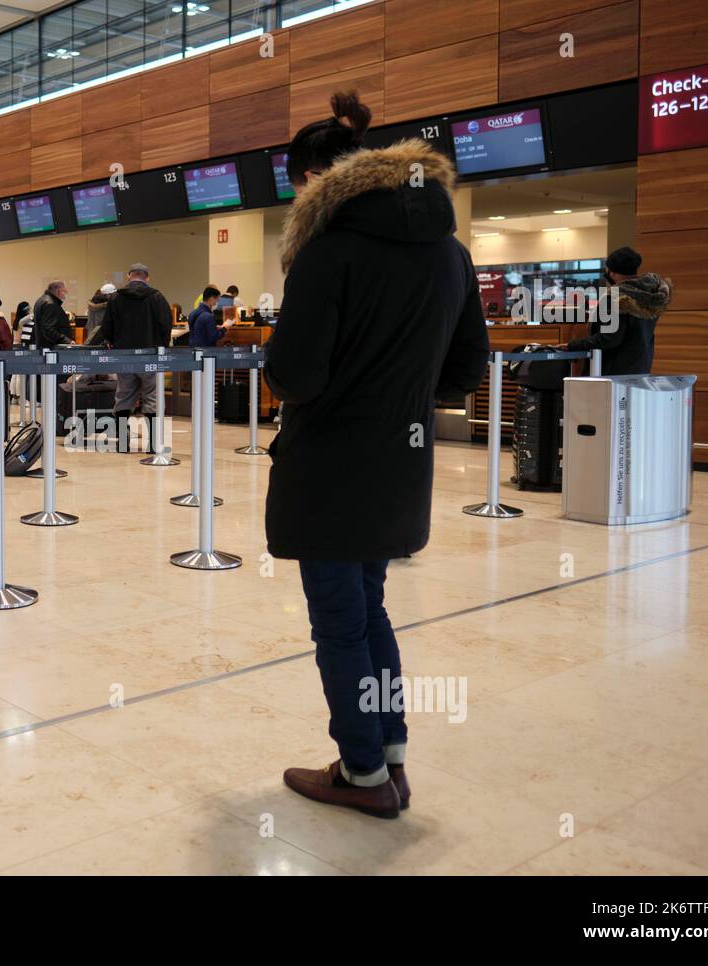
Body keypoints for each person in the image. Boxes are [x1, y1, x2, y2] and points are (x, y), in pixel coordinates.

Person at [265, 91, 489, 818]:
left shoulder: (326, 252)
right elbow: (463, 371)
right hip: (402, 463)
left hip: (330, 467)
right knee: (372, 612)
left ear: (315, 179)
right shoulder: (451, 252)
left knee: (339, 623)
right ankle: (387, 753)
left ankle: (362, 773)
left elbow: (295, 375)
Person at [556, 246, 672, 375]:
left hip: (613, 372)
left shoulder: (615, 298)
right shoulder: (648, 294)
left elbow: (608, 339)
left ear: (611, 272)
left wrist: (572, 345)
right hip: (639, 368)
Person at [96, 262, 174, 429]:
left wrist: (113, 343)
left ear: (128, 276)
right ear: (148, 277)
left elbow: (106, 327)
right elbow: (166, 324)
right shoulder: (157, 297)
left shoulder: (116, 298)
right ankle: (153, 444)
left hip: (124, 356)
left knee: (123, 396)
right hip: (150, 355)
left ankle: (123, 443)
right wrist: (161, 346)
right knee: (152, 397)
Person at [31, 280, 72, 348]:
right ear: (58, 291)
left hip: (44, 346)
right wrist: (66, 340)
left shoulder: (41, 300)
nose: (66, 294)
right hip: (51, 348)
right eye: (64, 291)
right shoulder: (51, 304)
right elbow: (48, 329)